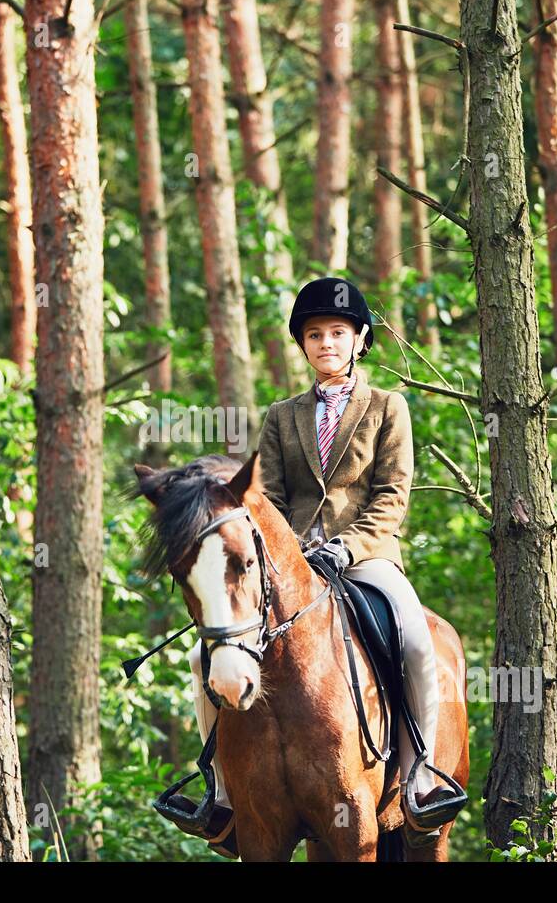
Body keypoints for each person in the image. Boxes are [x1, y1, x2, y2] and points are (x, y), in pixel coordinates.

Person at [185, 275, 467, 856]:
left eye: (337, 332)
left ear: (359, 338)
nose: (326, 344)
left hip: (367, 559)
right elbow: (270, 500)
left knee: (415, 638)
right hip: (292, 567)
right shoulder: (282, 416)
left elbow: (392, 493)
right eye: (314, 335)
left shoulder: (390, 407)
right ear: (303, 345)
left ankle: (419, 776)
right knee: (201, 654)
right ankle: (219, 792)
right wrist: (290, 549)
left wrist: (350, 545)